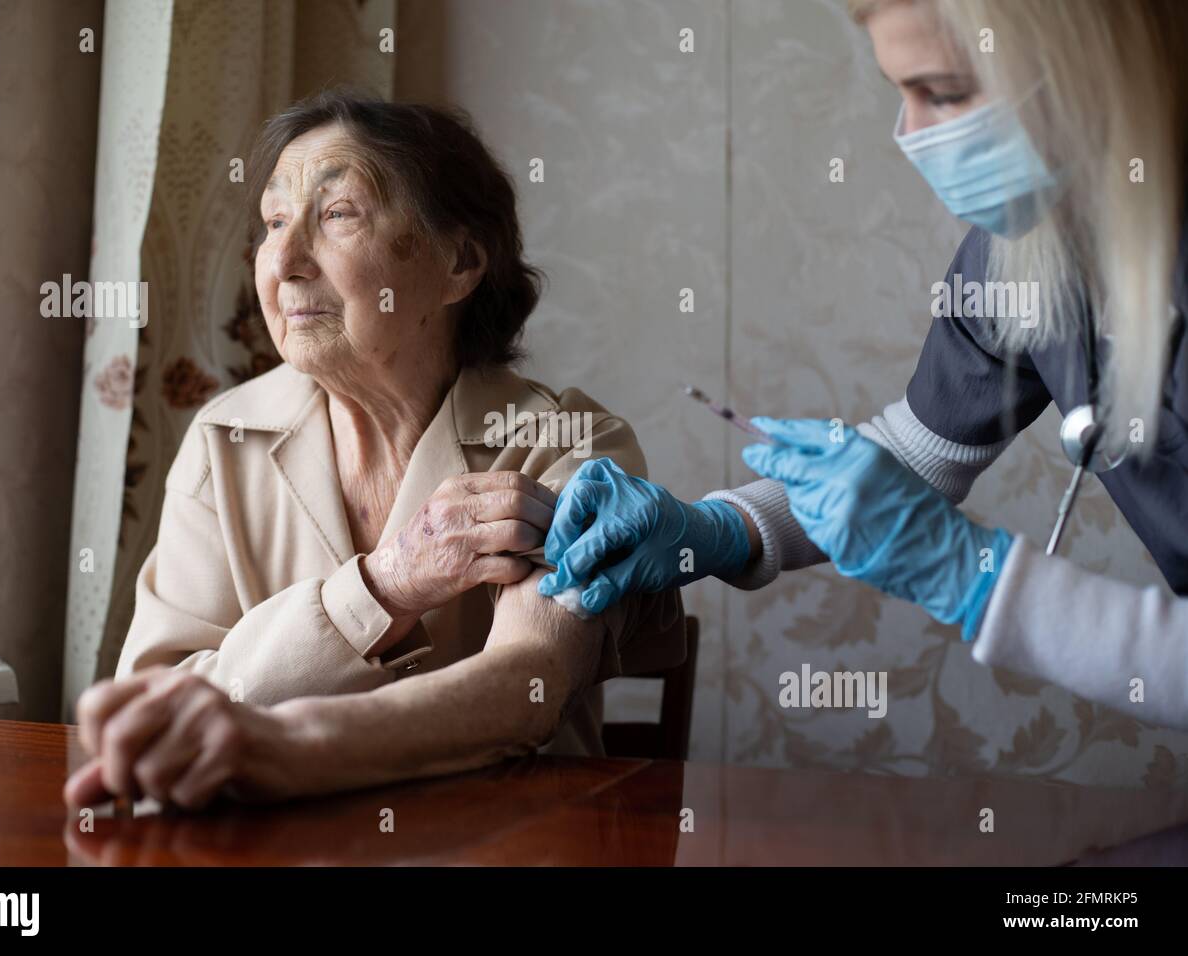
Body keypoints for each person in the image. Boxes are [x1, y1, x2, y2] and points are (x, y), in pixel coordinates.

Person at [542, 0, 1188, 730]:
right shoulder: (1022, 256)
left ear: (1097, 65)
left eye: (944, 93)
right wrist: (718, 528)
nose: (911, 135)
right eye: (901, 92)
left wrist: (975, 578)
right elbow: (921, 452)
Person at [63, 93, 682, 810]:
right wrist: (384, 586)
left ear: (460, 261)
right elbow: (160, 705)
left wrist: (282, 744)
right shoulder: (221, 438)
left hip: (508, 844)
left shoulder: (566, 445)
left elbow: (527, 685)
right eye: (272, 223)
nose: (284, 262)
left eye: (336, 215)